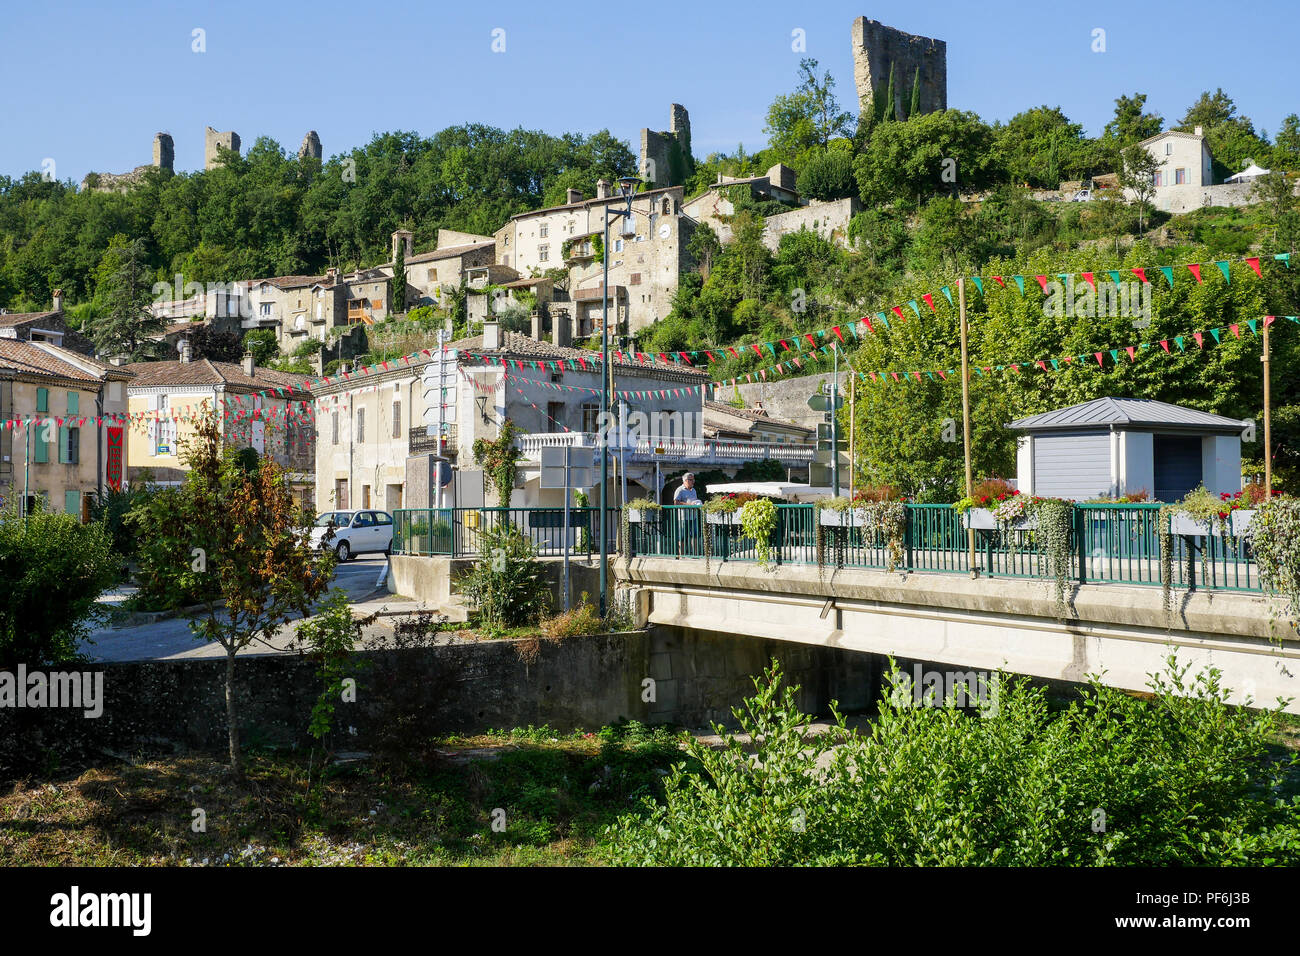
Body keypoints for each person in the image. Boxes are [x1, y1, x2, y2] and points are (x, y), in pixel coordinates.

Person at [673, 473, 702, 556]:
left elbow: (694, 501)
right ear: (685, 481)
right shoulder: (680, 490)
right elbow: (676, 503)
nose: (693, 481)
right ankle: (681, 555)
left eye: (693, 480)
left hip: (693, 517)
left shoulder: (694, 490)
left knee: (695, 536)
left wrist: (697, 505)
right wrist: (689, 505)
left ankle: (695, 555)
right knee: (682, 537)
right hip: (683, 517)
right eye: (691, 480)